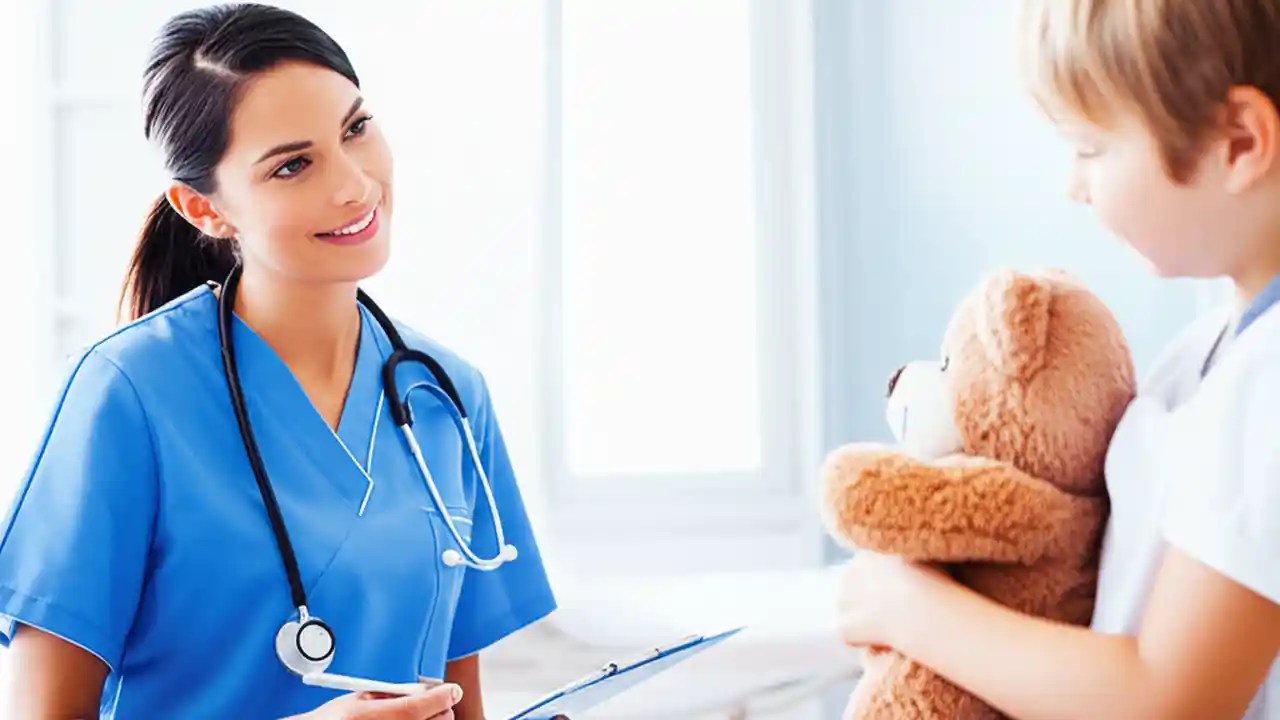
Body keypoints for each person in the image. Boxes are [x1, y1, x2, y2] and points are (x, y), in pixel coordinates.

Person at [0, 4, 556, 718]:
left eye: (356, 128)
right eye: (293, 165)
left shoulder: (446, 394)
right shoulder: (125, 394)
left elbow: (456, 700)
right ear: (204, 210)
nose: (354, 184)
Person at [834, 0, 1280, 717]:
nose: (1073, 186)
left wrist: (913, 610)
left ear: (1238, 142)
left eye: (1090, 149)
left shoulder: (1268, 388)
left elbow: (1165, 699)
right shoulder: (1207, 357)